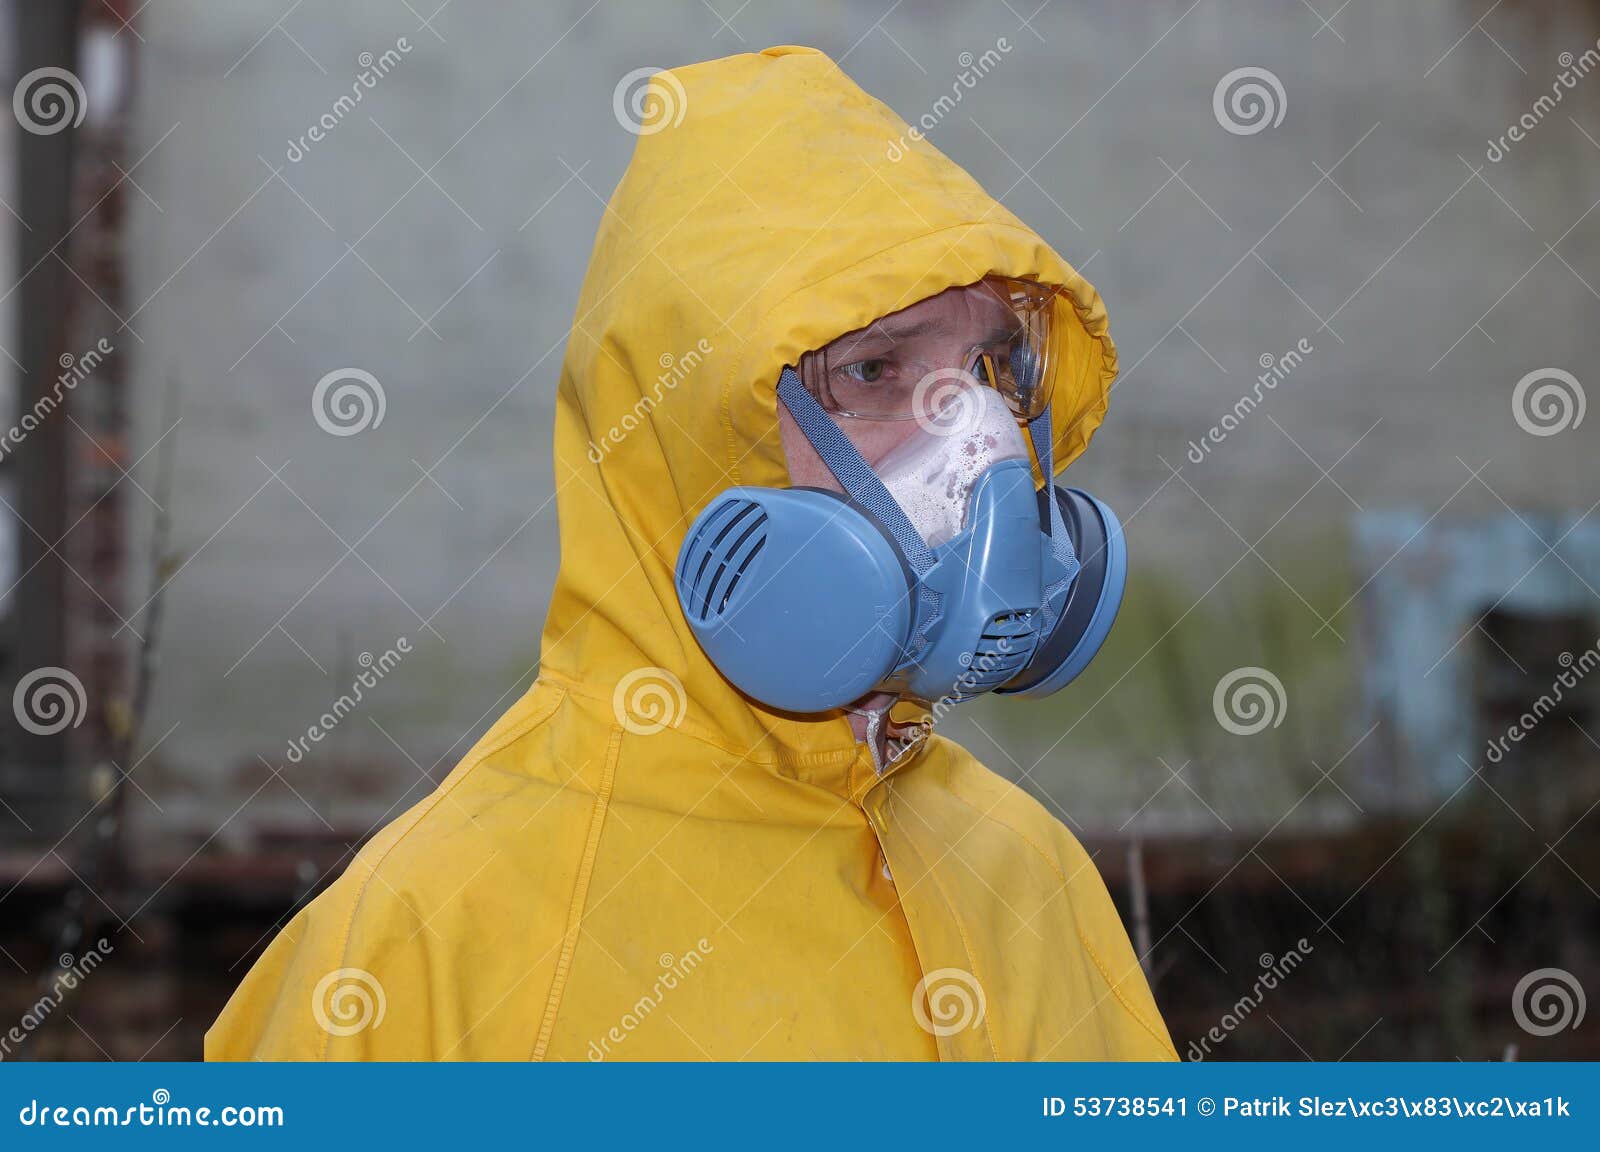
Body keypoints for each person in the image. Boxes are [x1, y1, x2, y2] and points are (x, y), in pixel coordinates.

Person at [207, 45, 1175, 1062]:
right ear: (696, 447)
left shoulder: (1027, 879)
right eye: (879, 368)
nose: (977, 441)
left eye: (996, 364)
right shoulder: (421, 944)